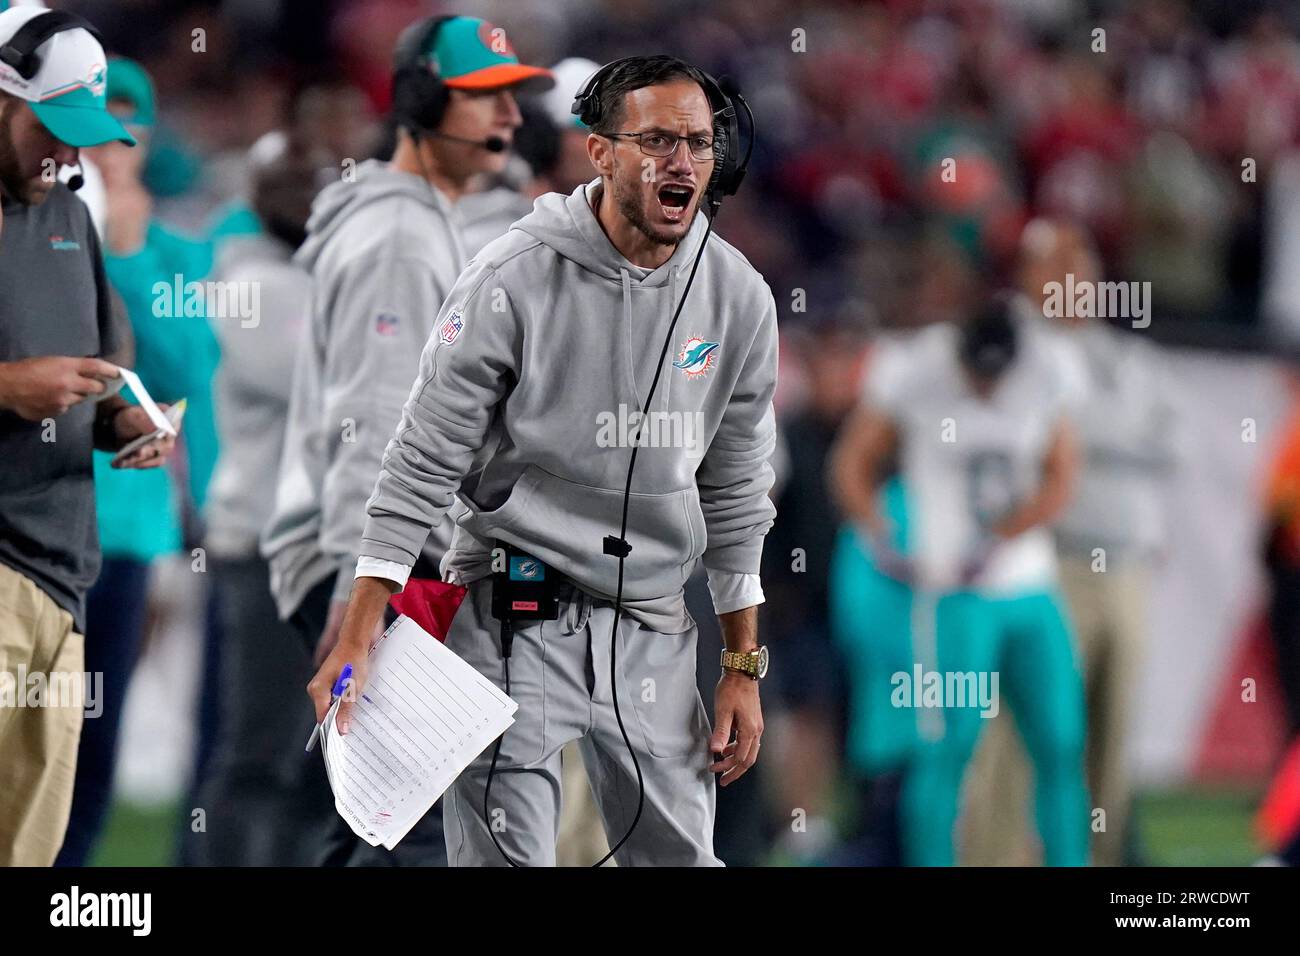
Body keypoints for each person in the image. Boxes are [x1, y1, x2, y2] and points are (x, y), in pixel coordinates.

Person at [310, 55, 778, 867]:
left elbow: (736, 491)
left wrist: (740, 663)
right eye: (658, 139)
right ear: (599, 152)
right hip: (513, 616)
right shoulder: (511, 275)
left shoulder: (738, 297)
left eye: (700, 143)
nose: (683, 162)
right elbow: (421, 456)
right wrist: (359, 624)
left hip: (654, 629)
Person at [261, 13, 552, 865]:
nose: (507, 116)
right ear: (423, 99)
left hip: (388, 557)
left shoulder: (415, 220)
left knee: (380, 820)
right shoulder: (397, 236)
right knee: (415, 827)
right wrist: (368, 595)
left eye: (511, 97)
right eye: (482, 97)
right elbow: (376, 429)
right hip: (387, 560)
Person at [0, 6, 175, 866]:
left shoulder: (69, 212)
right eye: (51, 129)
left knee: (35, 853)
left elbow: (109, 359)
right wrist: (5, 390)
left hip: (62, 576)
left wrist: (127, 415)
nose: (70, 155)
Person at [831, 295, 1090, 866]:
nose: (986, 385)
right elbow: (851, 464)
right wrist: (881, 537)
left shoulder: (1047, 367)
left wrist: (1007, 532)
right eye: (977, 372)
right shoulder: (915, 367)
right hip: (953, 597)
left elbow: (1063, 473)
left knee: (1061, 743)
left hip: (1028, 586)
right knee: (947, 749)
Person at [962, 219, 1178, 867]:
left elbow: (1174, 440)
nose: (1072, 280)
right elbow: (1036, 432)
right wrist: (1110, 434)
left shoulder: (1125, 355)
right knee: (1024, 736)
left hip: (1126, 569)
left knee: (1111, 740)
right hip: (1045, 562)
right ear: (1027, 277)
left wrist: (1089, 435)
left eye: (1079, 265)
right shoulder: (1014, 344)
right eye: (1054, 267)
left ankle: (1099, 864)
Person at [52, 54, 220, 868]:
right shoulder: (32, 233)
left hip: (123, 526)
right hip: (34, 523)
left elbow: (187, 374)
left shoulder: (176, 254)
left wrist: (126, 253)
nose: (111, 145)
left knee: (92, 751)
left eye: (129, 125)